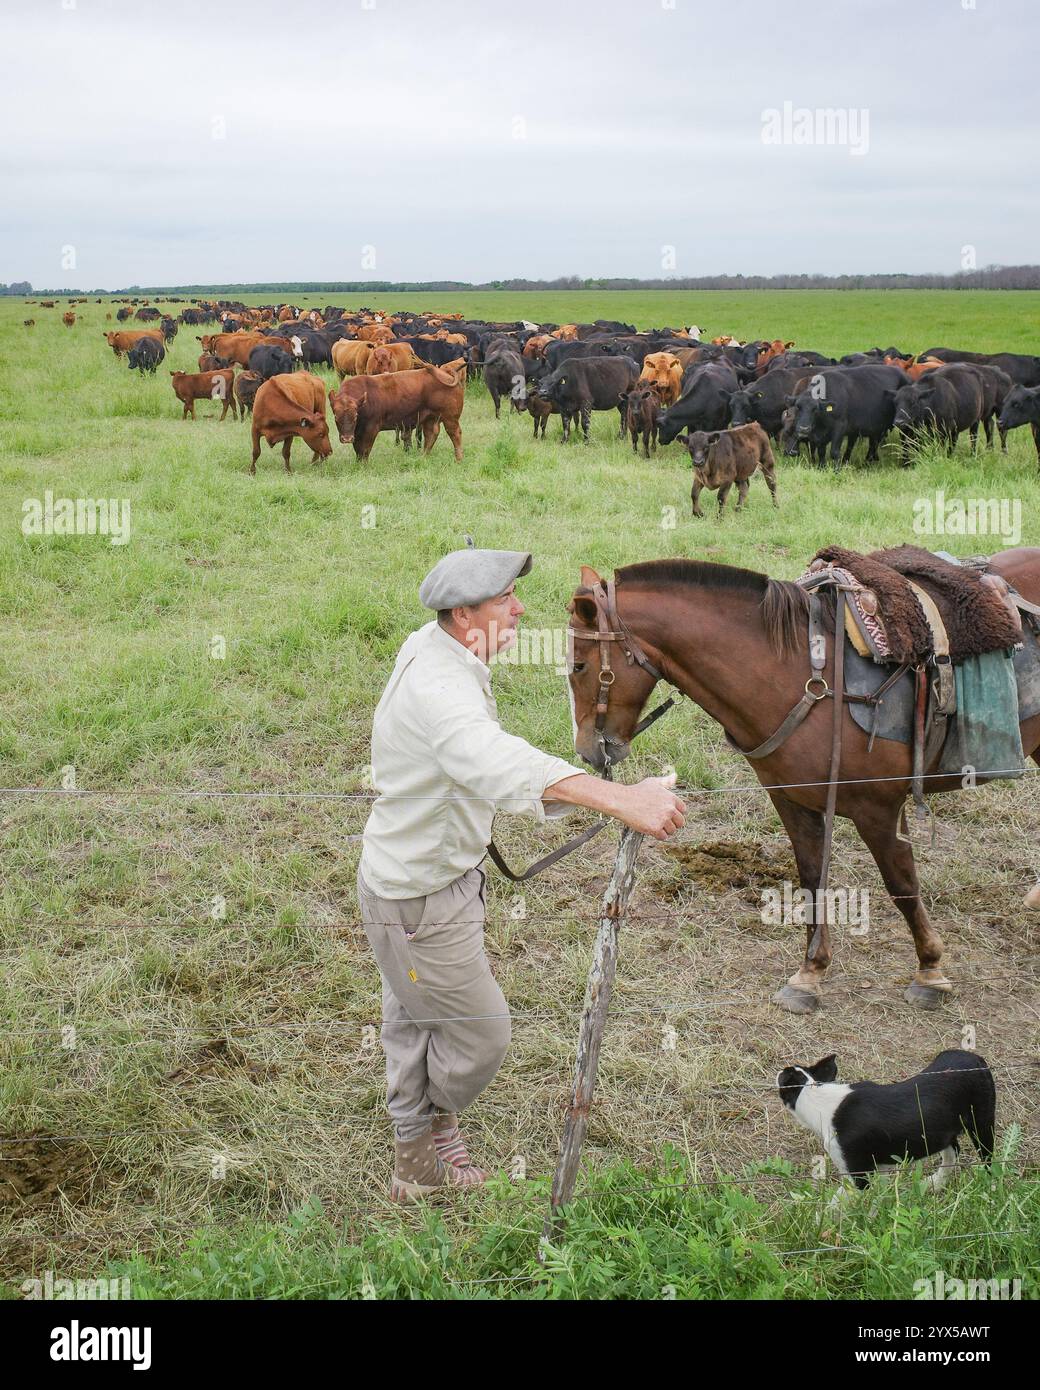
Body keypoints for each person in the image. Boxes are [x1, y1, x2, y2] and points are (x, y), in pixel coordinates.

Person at [358, 547, 686, 1201]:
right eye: (506, 598)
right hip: (421, 899)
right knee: (480, 1034)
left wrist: (601, 792)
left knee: (415, 1018)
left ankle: (419, 1151)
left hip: (423, 883)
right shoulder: (441, 687)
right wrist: (624, 801)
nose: (520, 608)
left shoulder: (437, 649)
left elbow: (489, 769)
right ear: (463, 611)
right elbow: (497, 761)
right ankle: (421, 1146)